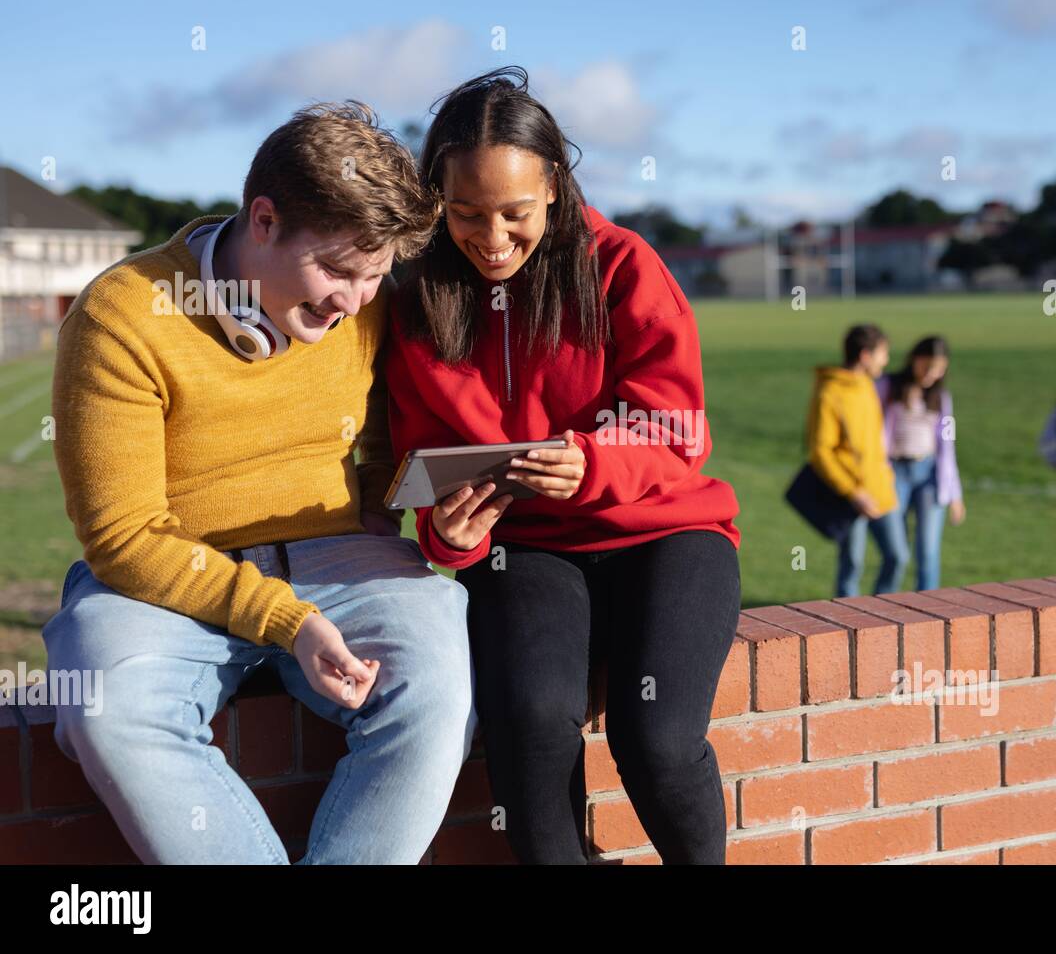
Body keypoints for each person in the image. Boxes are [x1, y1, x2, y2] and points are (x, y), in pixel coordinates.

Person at [41, 103, 473, 864]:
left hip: (341, 558)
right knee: (104, 704)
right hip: (167, 575)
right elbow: (122, 535)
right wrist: (287, 620)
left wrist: (379, 505)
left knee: (440, 684)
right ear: (264, 220)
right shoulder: (124, 315)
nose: (352, 301)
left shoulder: (363, 306)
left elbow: (376, 431)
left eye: (375, 277)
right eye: (337, 270)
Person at [386, 67, 742, 864]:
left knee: (654, 737)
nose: (492, 238)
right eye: (465, 213)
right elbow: (420, 462)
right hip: (529, 547)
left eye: (515, 213)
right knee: (530, 727)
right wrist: (446, 536)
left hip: (667, 533)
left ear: (554, 184)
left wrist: (593, 464)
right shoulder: (417, 302)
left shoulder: (622, 266)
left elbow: (680, 428)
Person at [805, 324, 897, 598]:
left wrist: (886, 474)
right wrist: (852, 492)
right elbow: (821, 451)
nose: (887, 360)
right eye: (884, 354)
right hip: (851, 496)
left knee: (897, 555)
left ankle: (880, 617)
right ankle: (849, 629)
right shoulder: (830, 393)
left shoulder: (867, 386)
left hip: (881, 490)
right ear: (866, 356)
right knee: (852, 566)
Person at [869, 335, 965, 592]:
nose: (931, 374)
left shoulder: (941, 397)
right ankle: (882, 607)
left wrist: (955, 494)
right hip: (894, 472)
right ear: (914, 360)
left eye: (939, 369)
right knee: (896, 551)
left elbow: (948, 446)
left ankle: (927, 612)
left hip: (929, 475)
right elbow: (875, 432)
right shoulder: (888, 387)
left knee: (928, 551)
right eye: (927, 366)